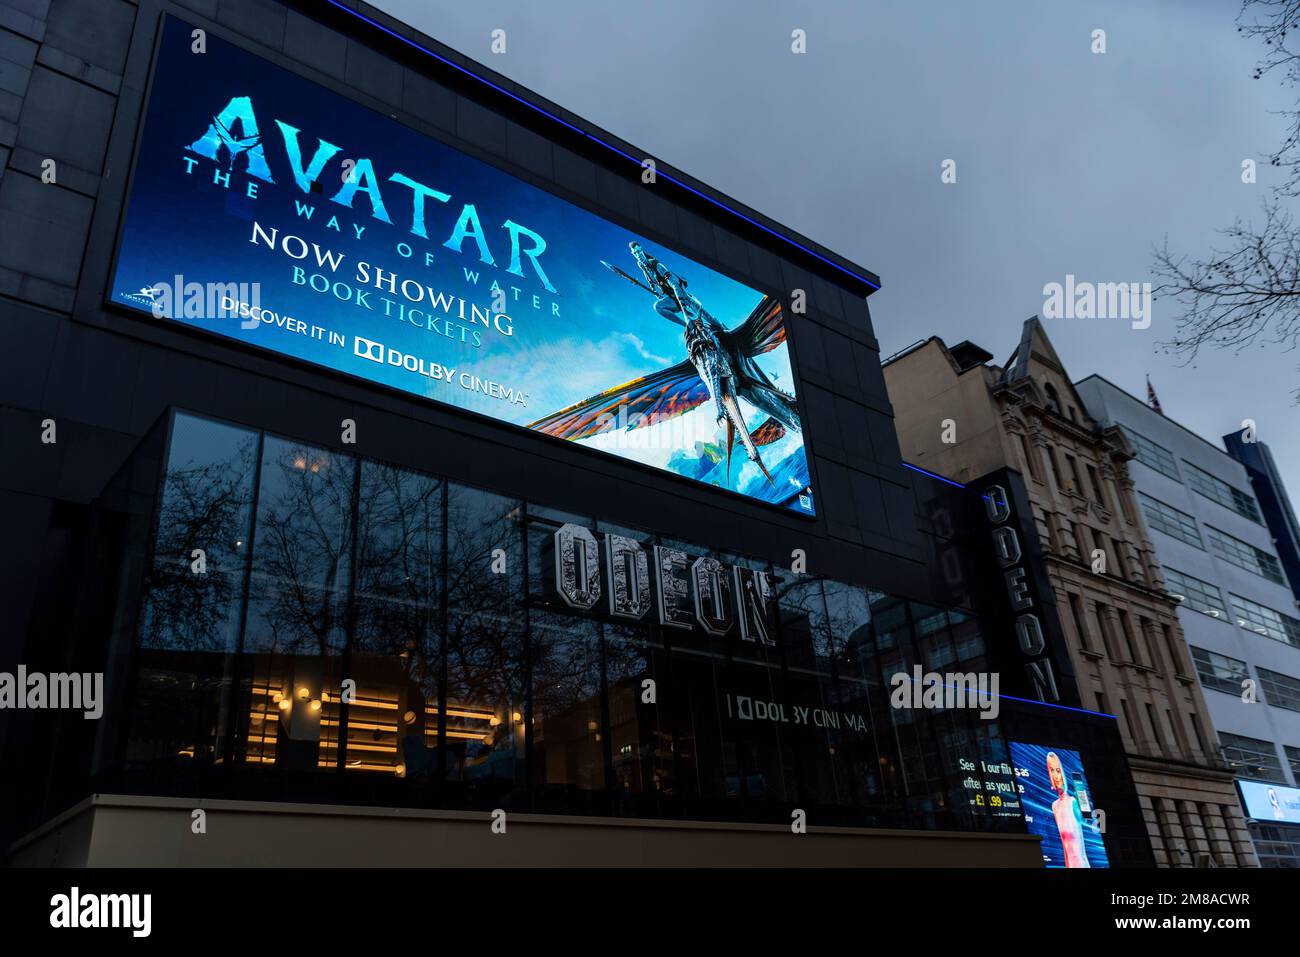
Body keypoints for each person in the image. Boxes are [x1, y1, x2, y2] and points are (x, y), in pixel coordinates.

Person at [1047, 751, 1090, 868]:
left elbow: (1085, 821)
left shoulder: (1073, 801)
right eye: (1052, 770)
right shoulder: (1054, 806)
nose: (1056, 776)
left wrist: (1083, 802)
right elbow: (1064, 844)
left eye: (1058, 771)